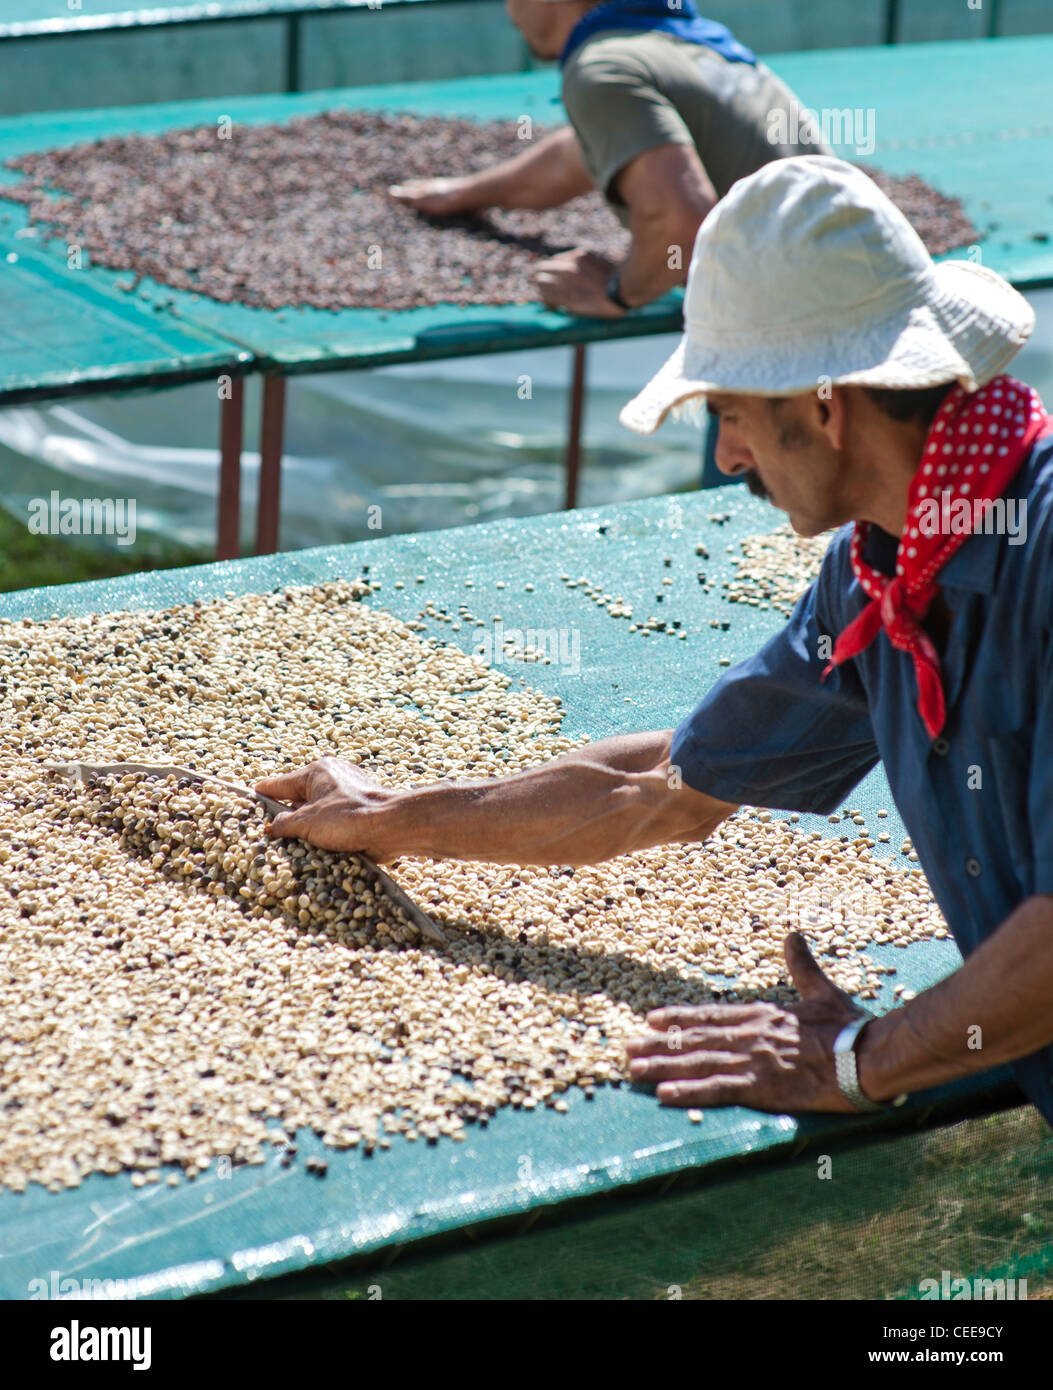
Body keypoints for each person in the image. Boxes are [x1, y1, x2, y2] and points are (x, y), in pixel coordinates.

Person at [259, 156, 1053, 1127]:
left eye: (727, 412)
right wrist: (393, 817)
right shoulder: (881, 571)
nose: (725, 457)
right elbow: (665, 791)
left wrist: (862, 1060)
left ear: (824, 403)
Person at [388, 0, 828, 317]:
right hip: (856, 311)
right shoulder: (692, 47)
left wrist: (618, 292)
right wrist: (468, 193)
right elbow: (584, 155)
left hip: (789, 345)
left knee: (742, 450)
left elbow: (683, 226)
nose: (508, 12)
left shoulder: (601, 67)